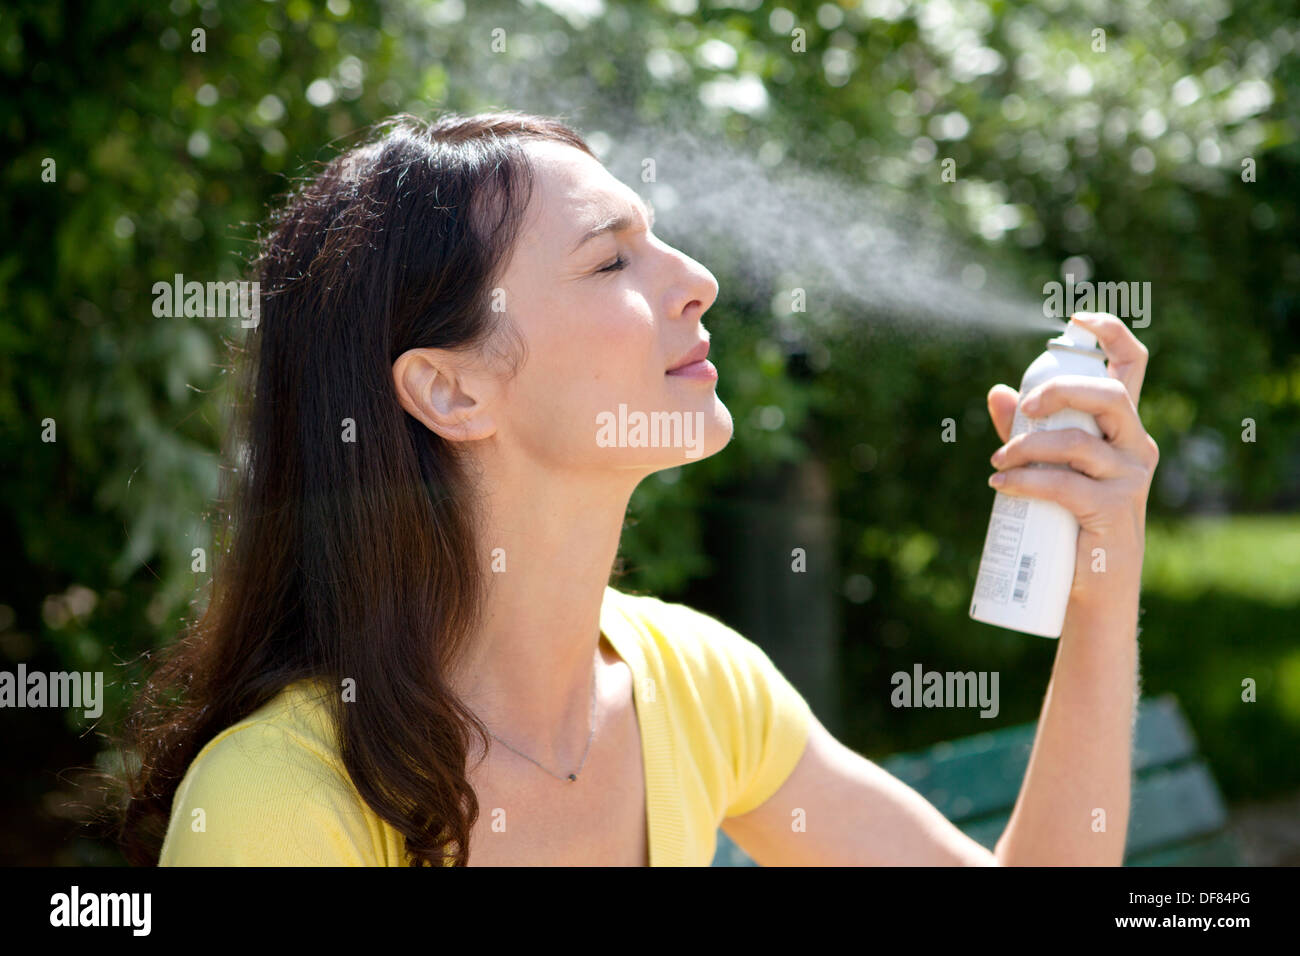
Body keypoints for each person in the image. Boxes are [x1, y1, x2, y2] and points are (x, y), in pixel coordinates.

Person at [116, 110, 1159, 866]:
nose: (695, 276)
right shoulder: (279, 808)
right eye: (611, 261)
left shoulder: (695, 684)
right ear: (450, 385)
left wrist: (1100, 592)